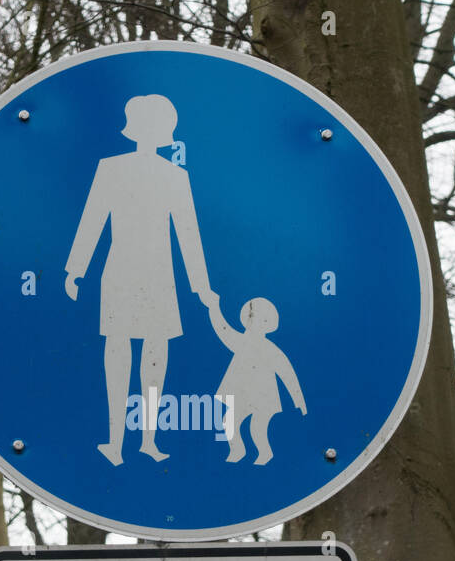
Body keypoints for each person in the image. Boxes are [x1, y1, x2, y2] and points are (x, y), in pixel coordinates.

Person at [65, 94, 213, 464]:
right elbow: (93, 220)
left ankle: (146, 440)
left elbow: (188, 235)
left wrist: (201, 285)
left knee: (151, 356)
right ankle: (116, 442)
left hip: (158, 274)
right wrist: (75, 268)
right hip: (120, 272)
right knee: (121, 353)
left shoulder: (176, 176)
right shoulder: (111, 169)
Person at [207, 295, 306, 464]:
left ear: (270, 325)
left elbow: (287, 373)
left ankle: (265, 454)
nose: (256, 323)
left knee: (257, 427)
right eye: (253, 318)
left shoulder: (270, 349)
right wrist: (213, 307)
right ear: (246, 319)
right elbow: (222, 329)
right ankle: (237, 450)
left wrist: (299, 400)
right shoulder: (240, 341)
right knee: (228, 421)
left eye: (263, 320)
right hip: (242, 393)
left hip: (264, 396)